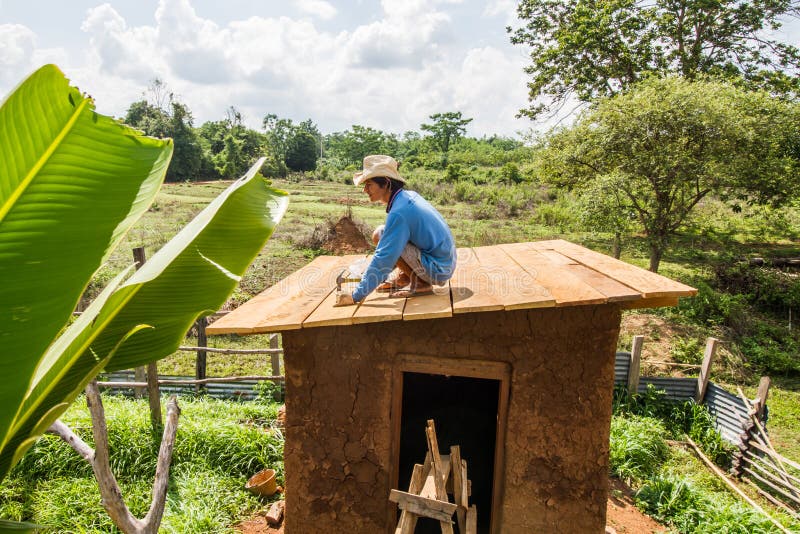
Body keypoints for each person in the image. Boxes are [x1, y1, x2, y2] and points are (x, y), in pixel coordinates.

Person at [334, 155, 456, 306]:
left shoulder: (399, 212)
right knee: (380, 233)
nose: (365, 190)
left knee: (385, 238)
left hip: (438, 269)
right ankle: (408, 276)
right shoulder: (408, 196)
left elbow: (384, 256)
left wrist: (355, 295)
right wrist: (375, 275)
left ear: (385, 183)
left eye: (369, 184)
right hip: (444, 262)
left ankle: (420, 283)